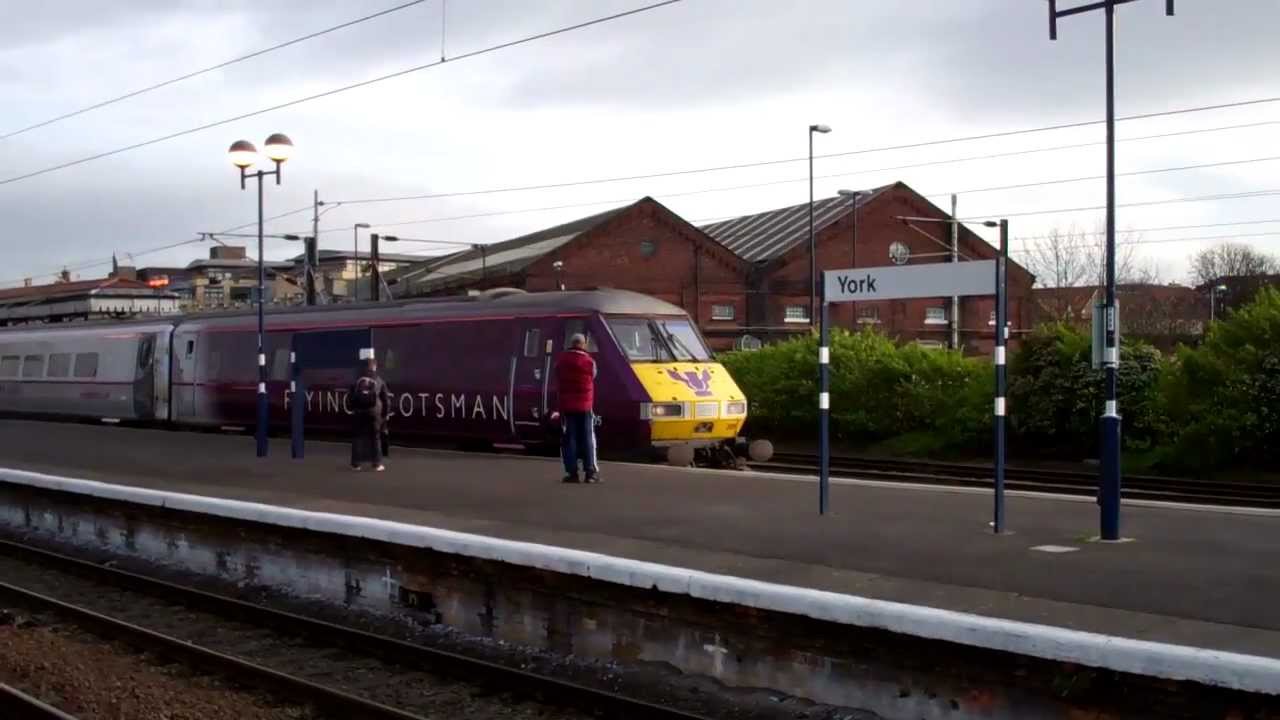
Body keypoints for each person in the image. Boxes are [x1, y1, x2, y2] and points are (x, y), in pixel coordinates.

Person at [555, 333, 599, 484]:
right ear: (583, 344)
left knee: (569, 439)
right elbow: (593, 376)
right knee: (587, 438)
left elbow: (557, 375)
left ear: (572, 343)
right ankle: (590, 473)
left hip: (567, 406)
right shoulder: (589, 361)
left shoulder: (561, 360)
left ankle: (572, 473)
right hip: (585, 407)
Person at [350, 353, 392, 472]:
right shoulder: (379, 380)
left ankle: (356, 464)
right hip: (374, 414)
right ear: (374, 367)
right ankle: (377, 464)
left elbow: (351, 397)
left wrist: (354, 409)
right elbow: (386, 400)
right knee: (375, 438)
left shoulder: (357, 380)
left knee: (358, 437)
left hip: (359, 413)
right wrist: (385, 415)